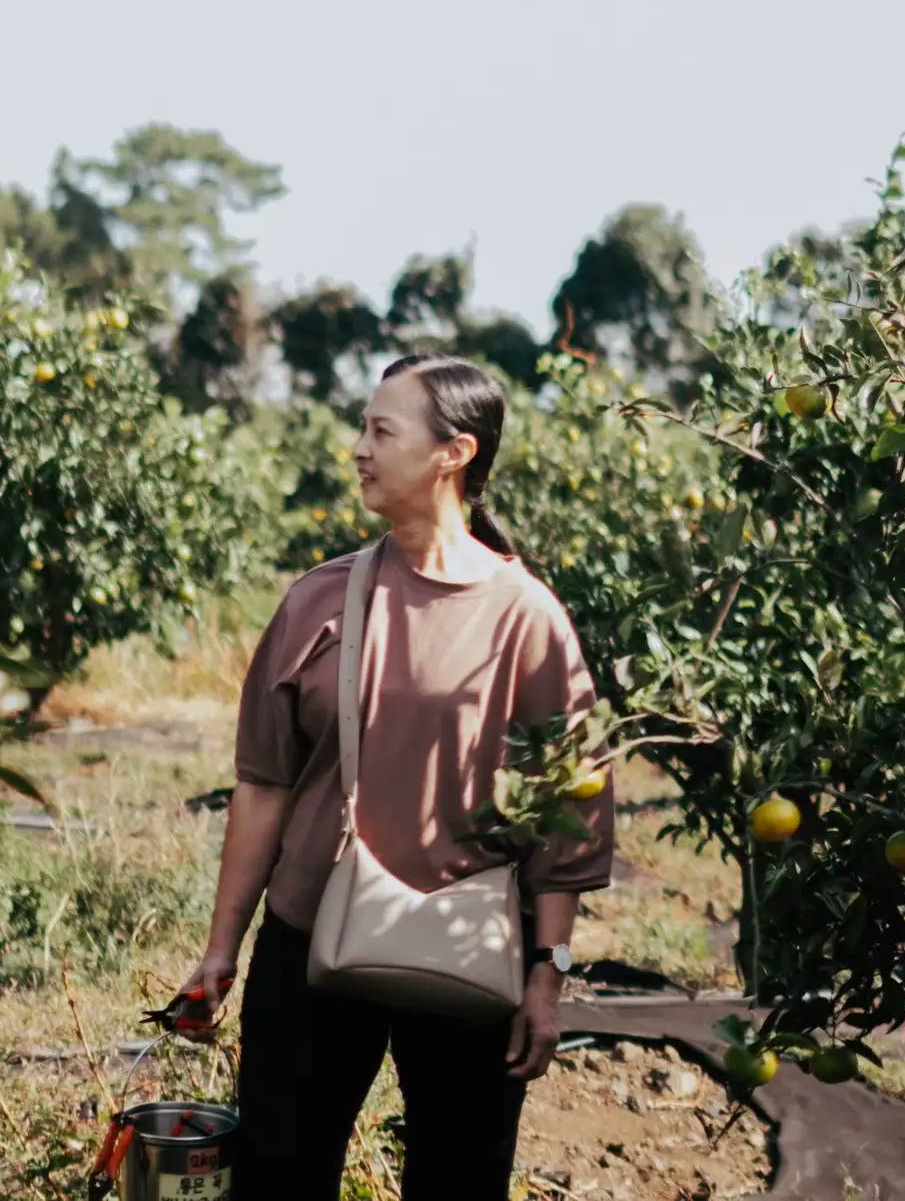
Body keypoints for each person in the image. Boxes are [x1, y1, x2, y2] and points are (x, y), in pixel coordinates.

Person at [177, 352, 614, 1201]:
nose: (359, 450)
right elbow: (263, 783)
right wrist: (222, 947)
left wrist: (548, 972)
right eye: (363, 429)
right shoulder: (320, 600)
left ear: (454, 453)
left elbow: (565, 812)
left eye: (381, 431)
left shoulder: (526, 619)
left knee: (458, 1180)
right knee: (278, 1177)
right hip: (309, 942)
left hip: (468, 947)